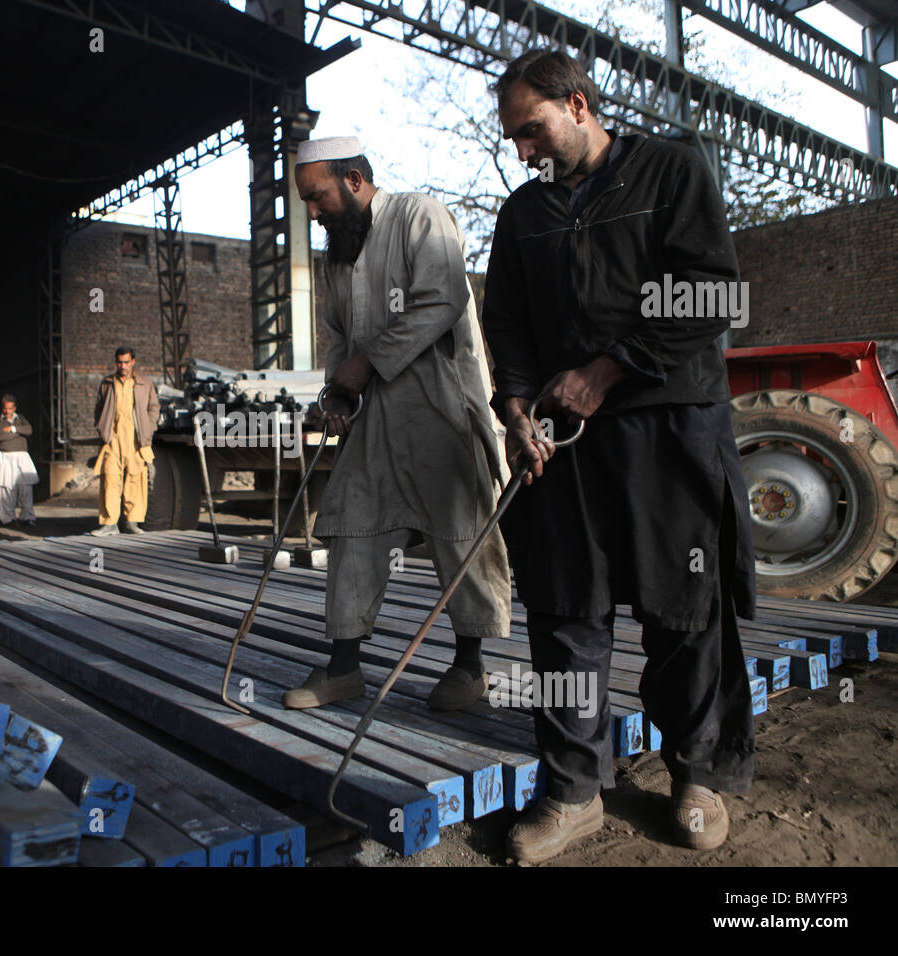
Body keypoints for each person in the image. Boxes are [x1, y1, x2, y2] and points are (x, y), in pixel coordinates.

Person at [480, 50, 757, 863]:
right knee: (564, 614)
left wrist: (605, 372)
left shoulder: (671, 172)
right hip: (564, 443)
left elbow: (712, 293)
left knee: (684, 610)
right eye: (514, 139)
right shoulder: (521, 216)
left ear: (578, 103)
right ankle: (571, 792)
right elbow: (509, 327)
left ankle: (696, 775)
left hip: (668, 425)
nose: (524, 152)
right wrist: (516, 408)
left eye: (532, 130)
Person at [280, 136, 513, 714]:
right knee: (352, 527)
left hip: (439, 407)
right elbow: (339, 336)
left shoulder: (419, 215)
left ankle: (469, 668)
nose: (313, 212)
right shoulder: (336, 254)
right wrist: (338, 389)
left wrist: (368, 363)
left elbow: (442, 301)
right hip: (372, 418)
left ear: (354, 178)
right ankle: (343, 669)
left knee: (458, 534)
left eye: (318, 197)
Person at [92, 346, 160, 536]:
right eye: (119, 362)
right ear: (116, 362)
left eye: (126, 362)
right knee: (110, 480)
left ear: (133, 362)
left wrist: (149, 428)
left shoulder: (144, 384)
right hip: (113, 441)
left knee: (135, 481)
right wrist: (102, 428)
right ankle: (109, 524)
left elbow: (154, 408)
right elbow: (98, 408)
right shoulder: (107, 383)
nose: (122, 366)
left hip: (136, 441)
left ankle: (132, 522)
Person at [0, 394, 37, 526]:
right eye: (5, 409)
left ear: (14, 408)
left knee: (26, 487)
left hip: (22, 456)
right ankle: (8, 518)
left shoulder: (21, 419)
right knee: (6, 487)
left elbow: (28, 430)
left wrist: (12, 429)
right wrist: (18, 435)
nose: (7, 412)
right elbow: (0, 436)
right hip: (6, 456)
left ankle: (27, 517)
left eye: (10, 409)